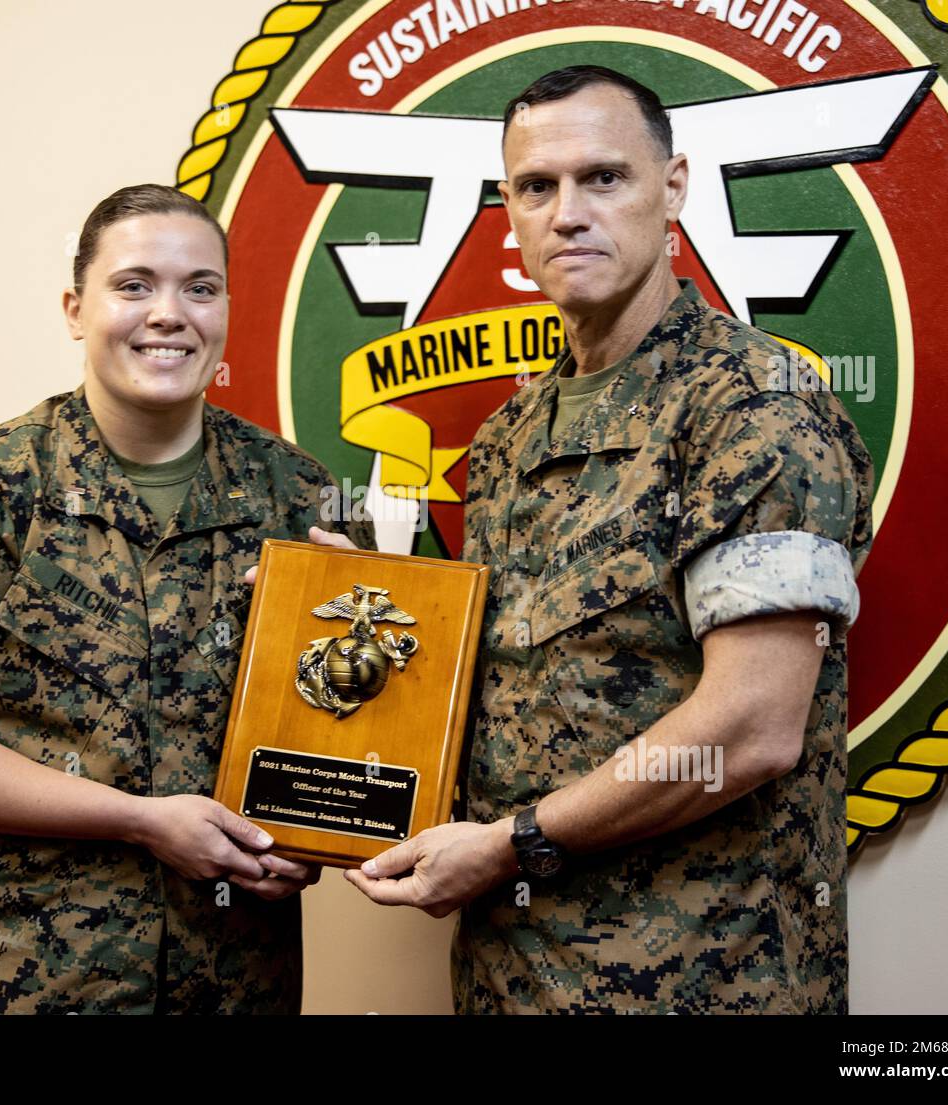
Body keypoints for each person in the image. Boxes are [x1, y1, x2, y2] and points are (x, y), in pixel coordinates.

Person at [345, 66, 874, 1014]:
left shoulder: (753, 406)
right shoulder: (511, 436)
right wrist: (359, 614)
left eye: (604, 178)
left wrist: (511, 844)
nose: (567, 213)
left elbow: (751, 728)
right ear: (507, 207)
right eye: (536, 187)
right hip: (509, 977)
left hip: (705, 981)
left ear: (672, 187)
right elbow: (515, 678)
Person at [0, 183, 373, 1014]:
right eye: (134, 285)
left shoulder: (303, 496)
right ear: (75, 309)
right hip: (16, 979)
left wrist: (310, 839)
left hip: (233, 983)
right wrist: (140, 818)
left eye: (199, 288)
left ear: (226, 311)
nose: (168, 313)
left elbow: (347, 733)